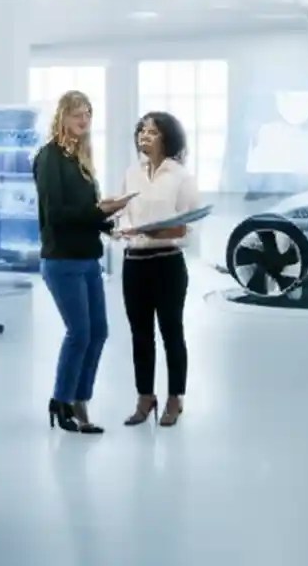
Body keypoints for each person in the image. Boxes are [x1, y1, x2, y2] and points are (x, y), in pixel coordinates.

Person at [32, 90, 133, 434]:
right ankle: (62, 402)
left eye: (88, 114)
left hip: (89, 257)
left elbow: (85, 216)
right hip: (62, 260)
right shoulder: (49, 158)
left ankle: (79, 399)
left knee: (98, 332)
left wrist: (109, 224)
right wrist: (98, 212)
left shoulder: (81, 159)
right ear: (62, 116)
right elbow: (56, 215)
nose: (84, 120)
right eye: (77, 113)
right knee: (79, 333)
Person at [114, 112, 200, 427]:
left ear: (167, 137)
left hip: (167, 263)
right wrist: (122, 227)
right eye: (141, 131)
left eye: (152, 131)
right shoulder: (130, 174)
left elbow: (190, 228)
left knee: (171, 332)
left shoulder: (180, 177)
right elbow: (122, 214)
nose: (144, 136)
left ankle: (175, 398)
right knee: (140, 335)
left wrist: (161, 233)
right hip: (134, 264)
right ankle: (144, 398)